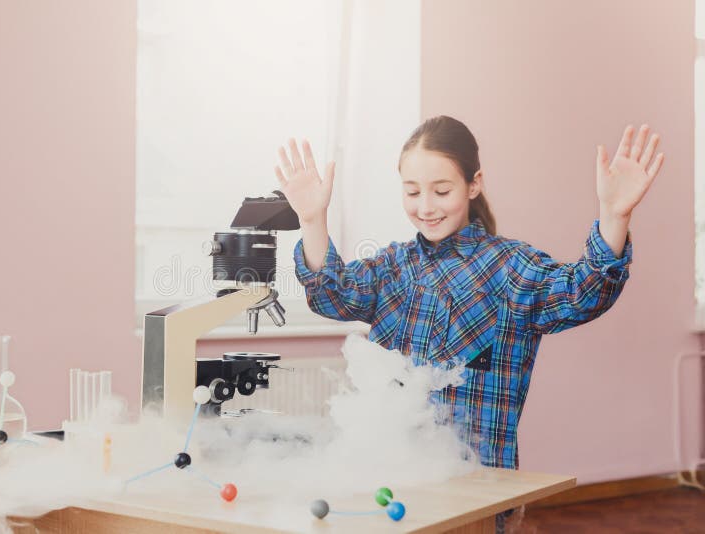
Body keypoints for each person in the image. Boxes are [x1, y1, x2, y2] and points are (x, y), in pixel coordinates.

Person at [275, 115, 664, 471]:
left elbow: (583, 292)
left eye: (441, 191)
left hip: (474, 484)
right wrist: (312, 220)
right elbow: (332, 294)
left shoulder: (511, 267)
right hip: (391, 475)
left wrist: (615, 217)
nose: (426, 207)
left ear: (473, 184)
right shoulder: (394, 266)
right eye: (412, 192)